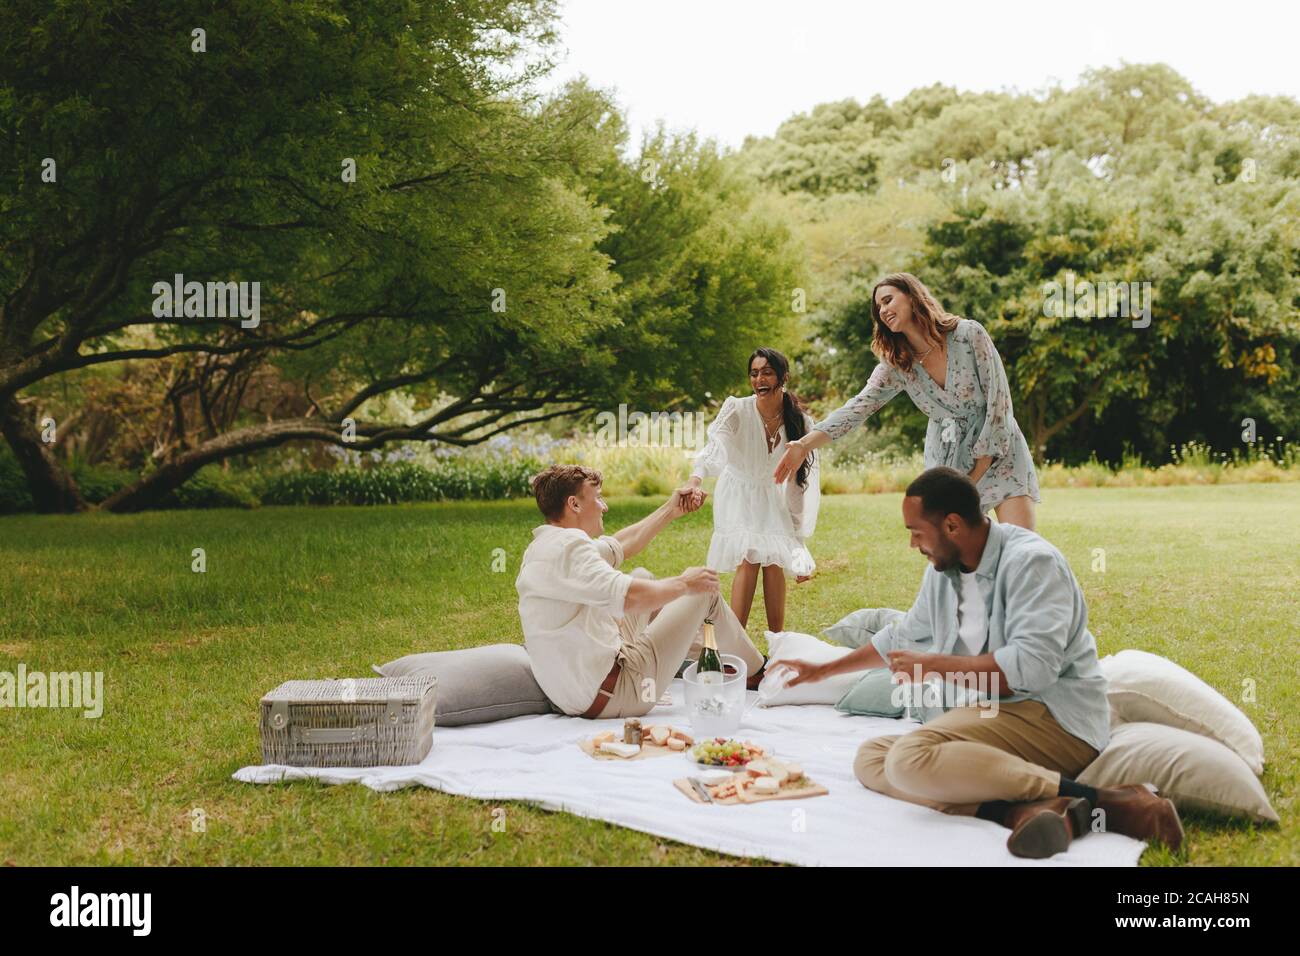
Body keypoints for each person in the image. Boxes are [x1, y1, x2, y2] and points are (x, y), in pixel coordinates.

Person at [776, 467, 1183, 859]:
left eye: (917, 533)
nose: (913, 544)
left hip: (1055, 717)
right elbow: (903, 635)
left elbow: (1033, 669)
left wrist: (937, 665)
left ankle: (1117, 804)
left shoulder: (1032, 563)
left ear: (952, 526)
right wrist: (823, 670)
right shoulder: (943, 570)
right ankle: (1025, 810)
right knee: (871, 758)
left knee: (908, 759)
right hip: (993, 715)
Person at [773, 272, 1041, 530]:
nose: (883, 310)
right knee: (962, 556)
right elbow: (858, 407)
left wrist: (982, 463)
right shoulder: (898, 365)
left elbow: (999, 400)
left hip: (998, 448)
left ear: (912, 297)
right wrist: (804, 445)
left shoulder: (968, 334)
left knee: (1021, 544)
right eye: (878, 307)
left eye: (888, 300)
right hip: (949, 462)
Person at [516, 464, 768, 720]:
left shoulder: (545, 547)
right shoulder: (570, 549)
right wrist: (685, 583)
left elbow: (622, 545)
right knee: (703, 591)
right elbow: (630, 598)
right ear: (575, 504)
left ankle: (705, 658)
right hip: (619, 692)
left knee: (642, 576)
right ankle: (759, 671)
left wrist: (671, 510)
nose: (604, 506)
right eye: (598, 497)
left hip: (578, 694)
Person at [679, 348, 819, 632]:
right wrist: (696, 479)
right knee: (749, 555)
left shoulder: (800, 422)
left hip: (771, 494)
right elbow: (715, 447)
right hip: (737, 492)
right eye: (754, 373)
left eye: (767, 372)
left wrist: (798, 543)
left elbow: (798, 484)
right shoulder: (736, 409)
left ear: (783, 377)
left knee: (775, 560)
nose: (759, 379)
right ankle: (736, 644)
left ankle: (777, 642)